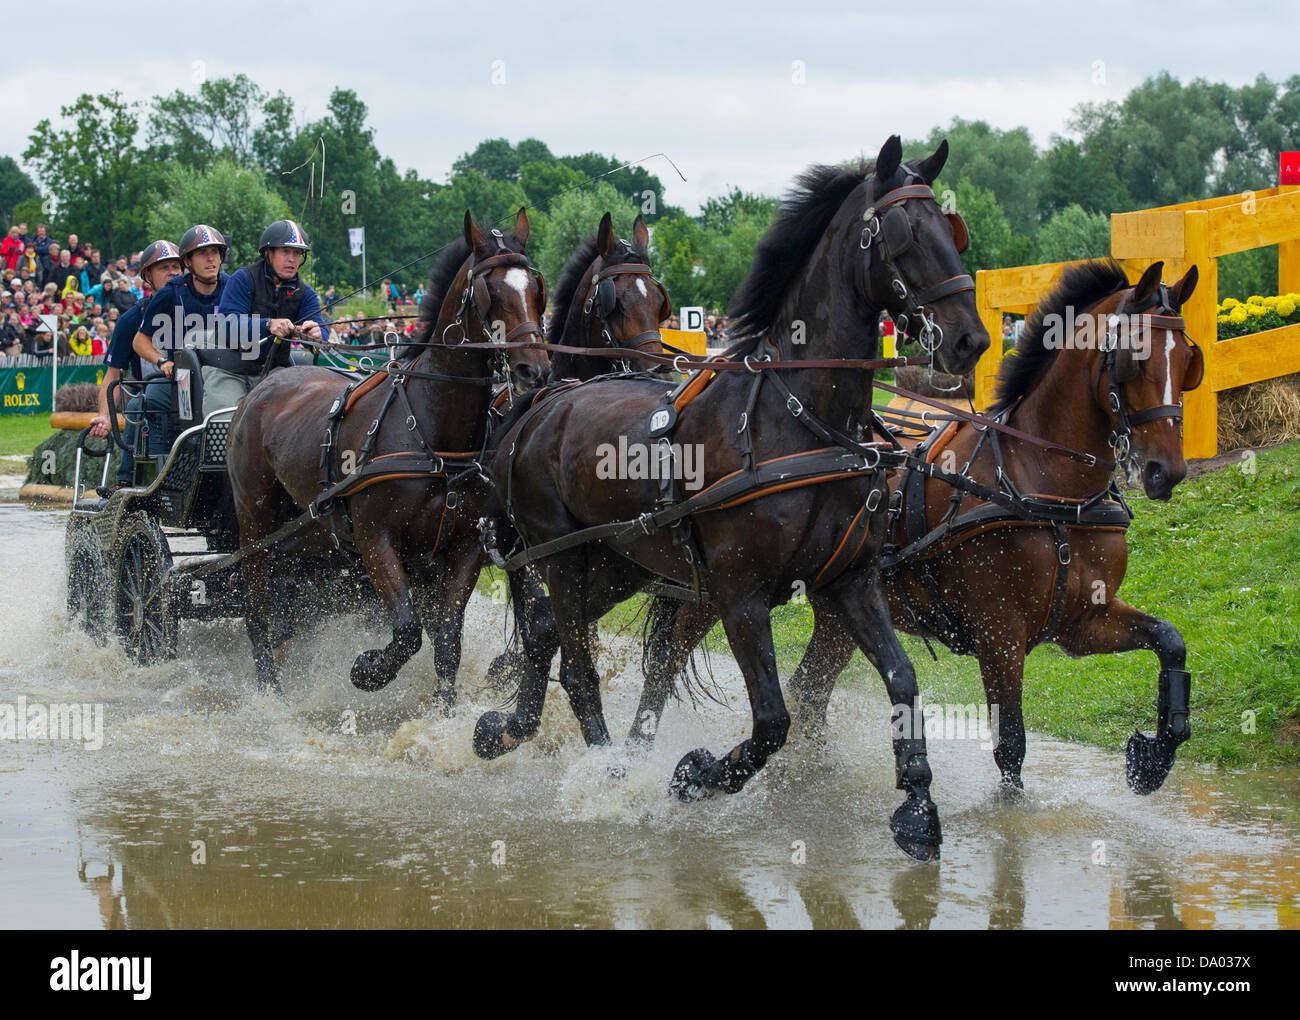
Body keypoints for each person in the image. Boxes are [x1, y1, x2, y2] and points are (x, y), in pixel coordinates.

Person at [90, 239, 184, 495]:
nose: (173, 273)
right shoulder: (131, 319)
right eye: (164, 268)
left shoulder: (195, 307)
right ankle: (127, 479)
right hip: (150, 396)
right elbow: (112, 375)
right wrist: (105, 417)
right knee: (137, 403)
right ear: (148, 277)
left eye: (177, 266)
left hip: (192, 391)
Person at [130, 225, 230, 460]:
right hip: (181, 379)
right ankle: (157, 468)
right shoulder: (170, 293)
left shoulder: (234, 287)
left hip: (227, 374)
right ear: (188, 261)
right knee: (153, 397)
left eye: (215, 252)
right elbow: (140, 340)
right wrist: (162, 361)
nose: (210, 258)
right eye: (202, 253)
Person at [211, 218, 327, 412]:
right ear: (268, 253)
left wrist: (316, 335)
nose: (292, 259)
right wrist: (267, 324)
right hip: (230, 370)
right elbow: (228, 324)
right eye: (285, 251)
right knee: (224, 418)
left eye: (297, 253)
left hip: (276, 371)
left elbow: (321, 334)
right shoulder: (243, 279)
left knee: (296, 415)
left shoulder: (306, 294)